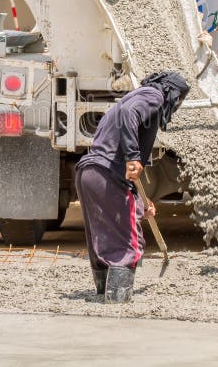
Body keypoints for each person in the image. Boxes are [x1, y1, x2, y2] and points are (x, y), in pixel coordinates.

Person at [75, 72, 190, 303]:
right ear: (172, 93)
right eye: (179, 99)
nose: (176, 106)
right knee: (127, 243)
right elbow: (130, 114)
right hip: (108, 176)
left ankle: (104, 292)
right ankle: (118, 300)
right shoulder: (154, 95)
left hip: (89, 174)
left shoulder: (129, 99)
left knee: (102, 237)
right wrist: (133, 156)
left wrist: (138, 203)